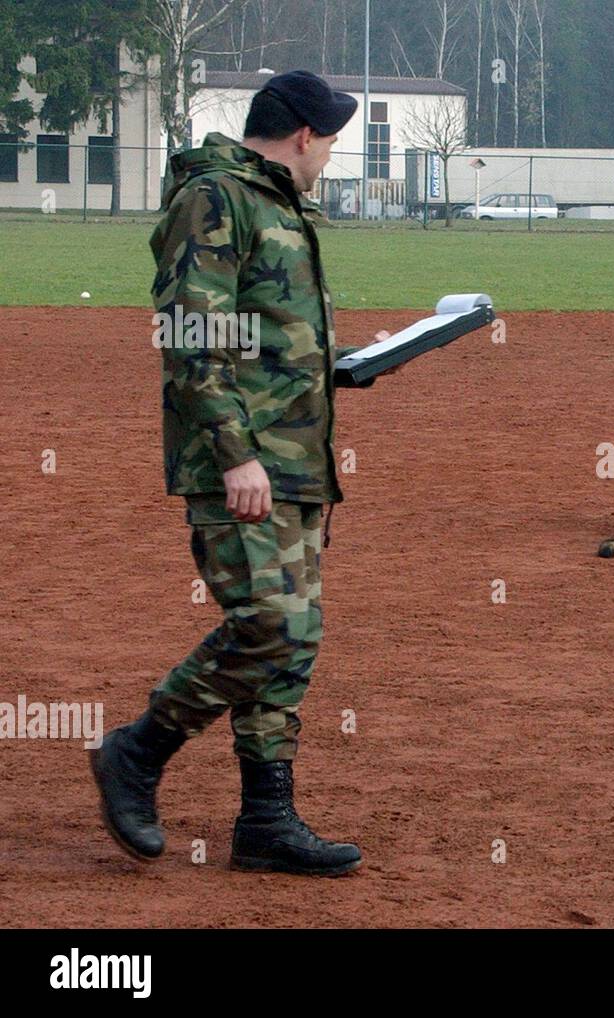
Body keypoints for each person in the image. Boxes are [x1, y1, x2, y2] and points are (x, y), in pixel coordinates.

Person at [90, 70, 371, 877]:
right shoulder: (217, 199)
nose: (329, 160)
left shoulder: (278, 203)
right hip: (243, 465)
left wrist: (345, 368)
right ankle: (136, 753)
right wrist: (236, 453)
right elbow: (191, 336)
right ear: (304, 137)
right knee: (270, 627)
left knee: (295, 639)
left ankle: (266, 819)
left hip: (296, 460)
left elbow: (258, 338)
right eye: (331, 144)